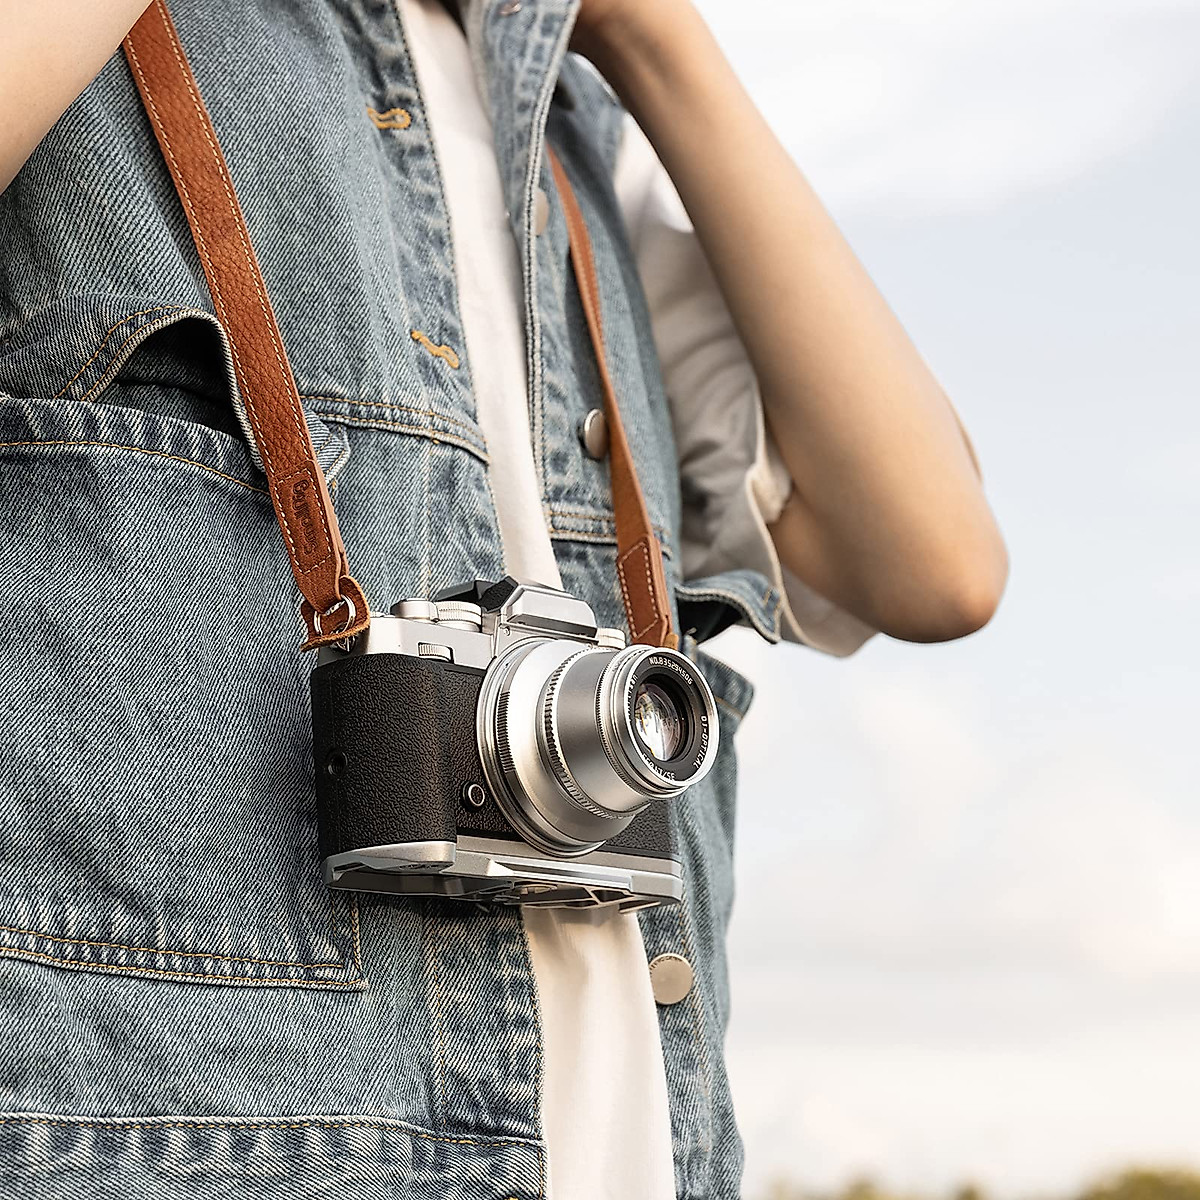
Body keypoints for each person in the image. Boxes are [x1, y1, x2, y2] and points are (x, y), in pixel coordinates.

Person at [0, 0, 1008, 1197]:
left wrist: (656, 44)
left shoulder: (574, 149)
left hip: (629, 1147)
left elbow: (937, 565)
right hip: (191, 1139)